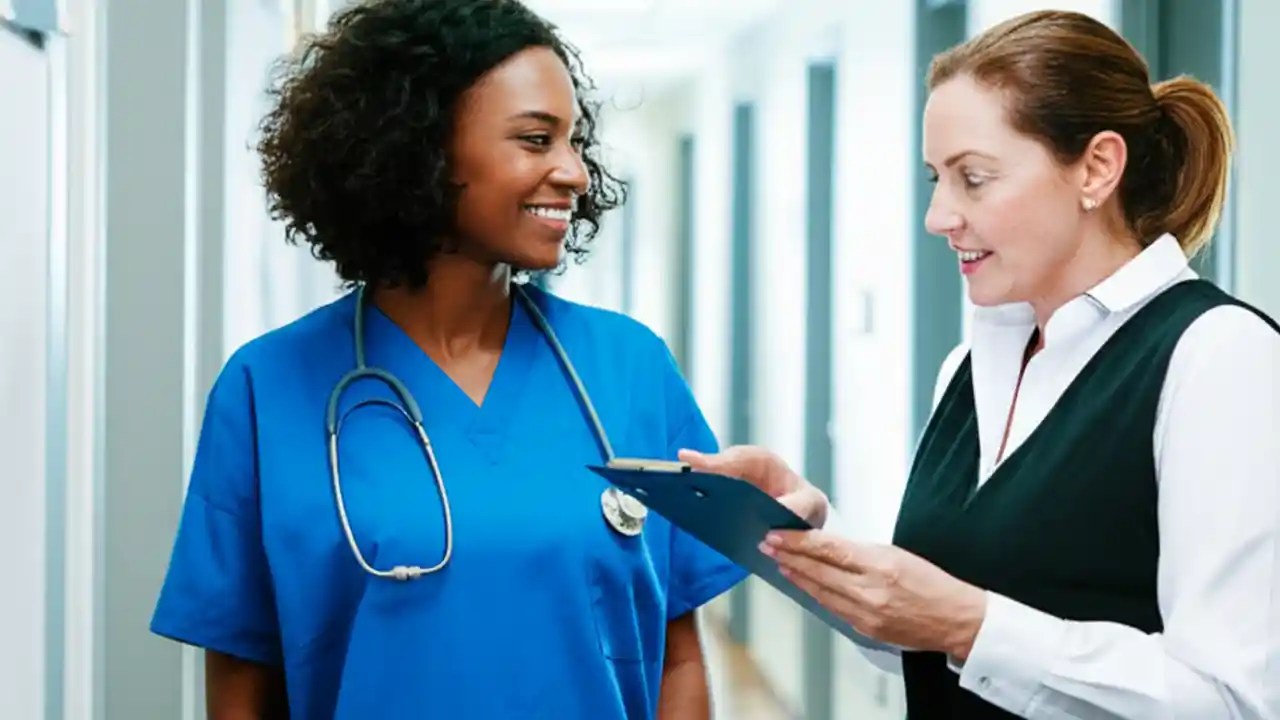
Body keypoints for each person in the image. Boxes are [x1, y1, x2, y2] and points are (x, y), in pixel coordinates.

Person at [149, 1, 745, 717]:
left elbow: (678, 658)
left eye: (574, 140)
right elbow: (242, 682)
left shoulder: (628, 369)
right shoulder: (267, 388)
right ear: (420, 149)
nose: (575, 172)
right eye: (535, 139)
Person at [682, 9, 1280, 719]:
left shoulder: (1217, 359)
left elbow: (1234, 699)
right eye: (937, 177)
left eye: (974, 177)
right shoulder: (972, 365)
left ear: (1097, 168)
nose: (938, 215)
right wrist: (810, 541)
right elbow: (932, 641)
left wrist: (970, 623)